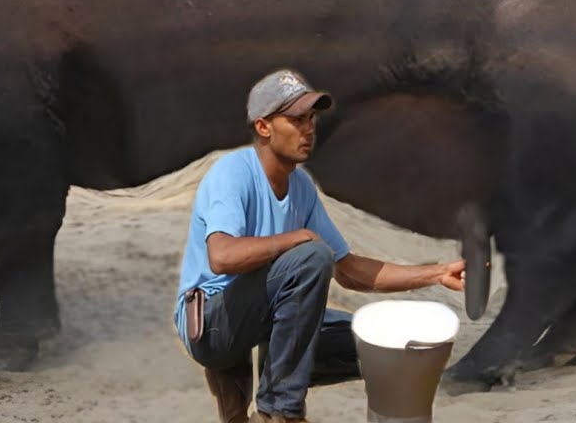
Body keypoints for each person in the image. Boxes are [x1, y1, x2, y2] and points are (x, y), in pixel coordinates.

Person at [173, 68, 467, 423]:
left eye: (312, 118)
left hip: (266, 319)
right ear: (264, 127)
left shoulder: (301, 188)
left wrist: (437, 273)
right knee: (310, 255)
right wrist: (295, 239)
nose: (309, 128)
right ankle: (279, 414)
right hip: (213, 325)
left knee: (380, 343)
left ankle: (268, 401)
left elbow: (351, 271)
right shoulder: (233, 172)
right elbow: (222, 257)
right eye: (297, 119)